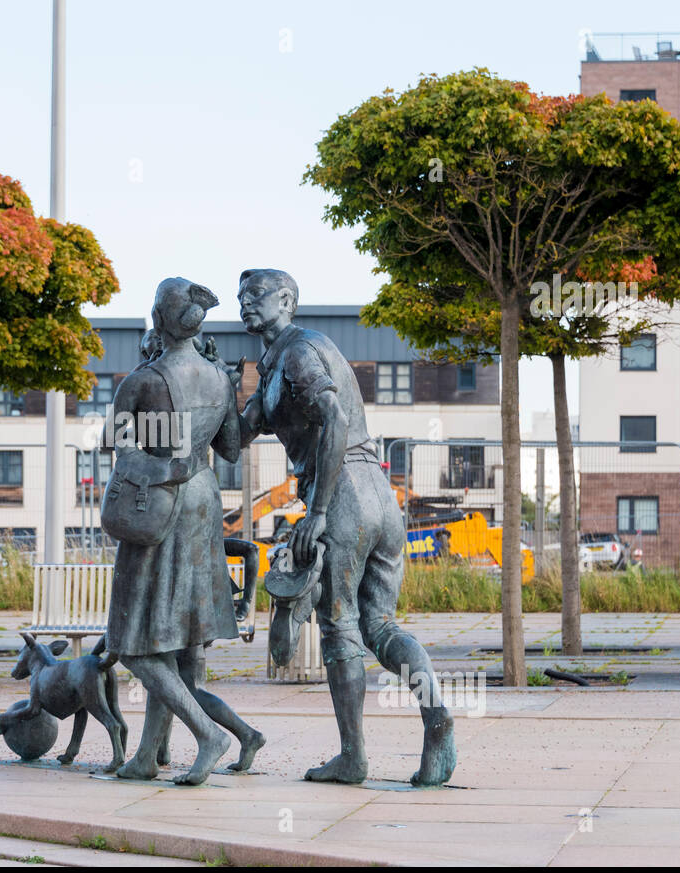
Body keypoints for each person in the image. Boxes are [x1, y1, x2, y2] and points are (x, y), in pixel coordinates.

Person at [235, 267, 454, 787]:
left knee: (341, 628)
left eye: (257, 294)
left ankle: (353, 757)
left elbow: (332, 419)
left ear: (287, 300)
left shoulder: (298, 351)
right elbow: (235, 438)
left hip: (344, 493)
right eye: (241, 294)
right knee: (380, 625)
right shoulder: (272, 366)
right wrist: (221, 392)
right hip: (379, 491)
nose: (245, 302)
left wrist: (321, 511)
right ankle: (435, 713)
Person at [104, 277, 245, 786]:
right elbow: (230, 447)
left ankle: (207, 734)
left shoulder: (143, 381)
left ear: (159, 320)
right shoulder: (219, 378)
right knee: (176, 637)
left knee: (136, 642)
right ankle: (145, 756)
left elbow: (116, 448)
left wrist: (159, 460)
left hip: (160, 506)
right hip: (205, 499)